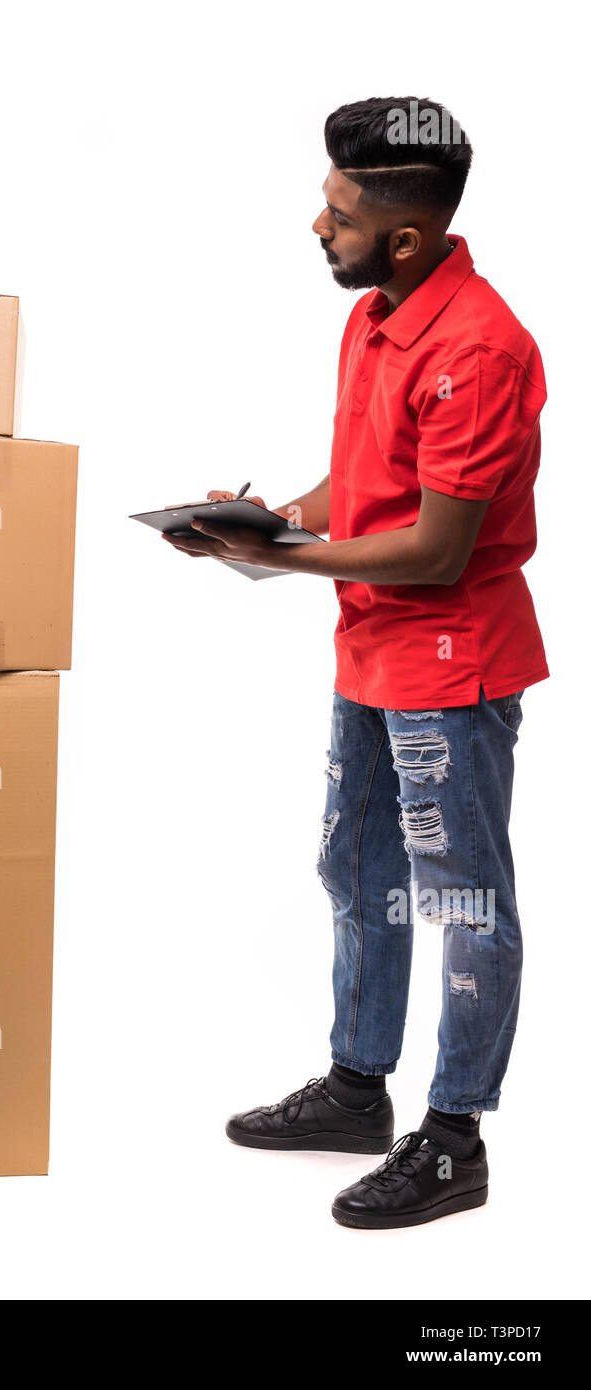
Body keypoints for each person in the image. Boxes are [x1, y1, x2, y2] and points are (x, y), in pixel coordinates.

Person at [162, 97, 548, 1229]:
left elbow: (437, 543)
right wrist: (267, 521)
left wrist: (284, 565)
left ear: (405, 234)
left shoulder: (477, 347)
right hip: (368, 655)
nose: (315, 225)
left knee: (463, 899)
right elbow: (364, 474)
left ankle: (452, 1137)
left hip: (449, 663)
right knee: (356, 869)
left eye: (336, 212)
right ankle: (352, 1086)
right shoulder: (376, 313)